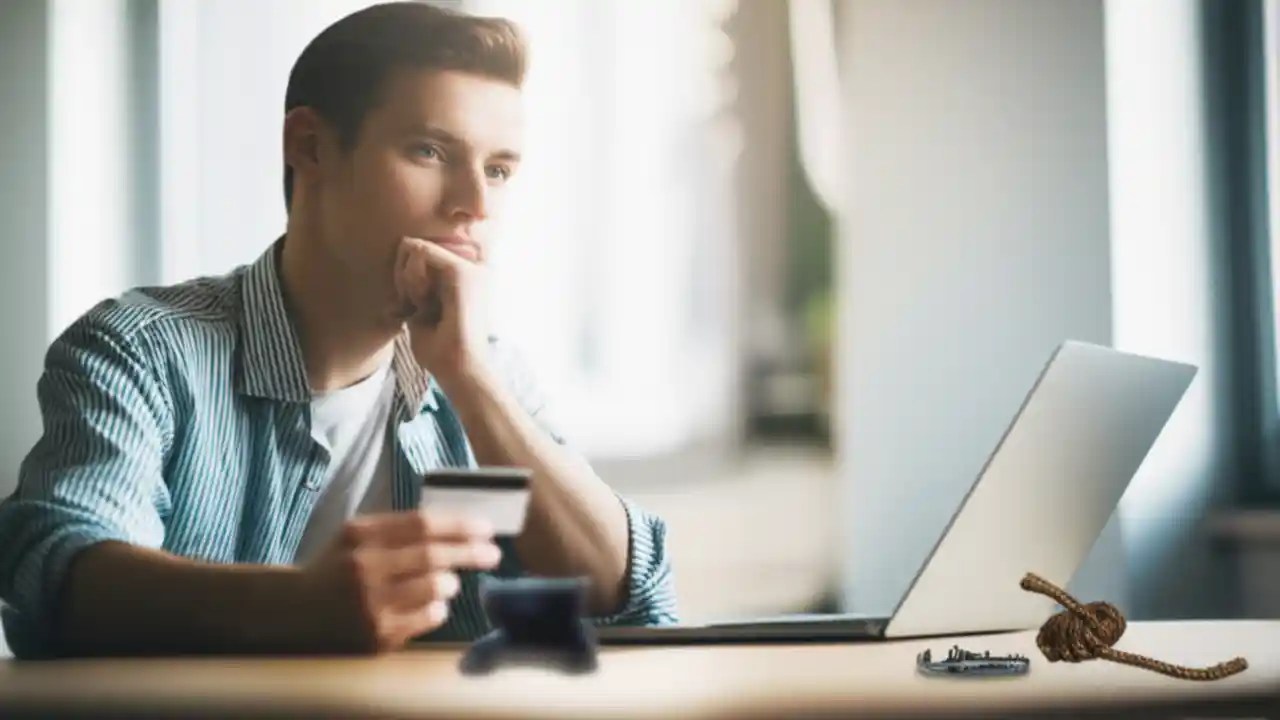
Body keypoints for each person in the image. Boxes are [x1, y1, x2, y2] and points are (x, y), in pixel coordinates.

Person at [0, 2, 676, 659]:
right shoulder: (144, 351)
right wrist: (296, 607)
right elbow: (56, 574)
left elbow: (629, 597)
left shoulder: (484, 374)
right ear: (310, 147)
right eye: (430, 151)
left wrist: (470, 379)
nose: (474, 203)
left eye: (498, 169)